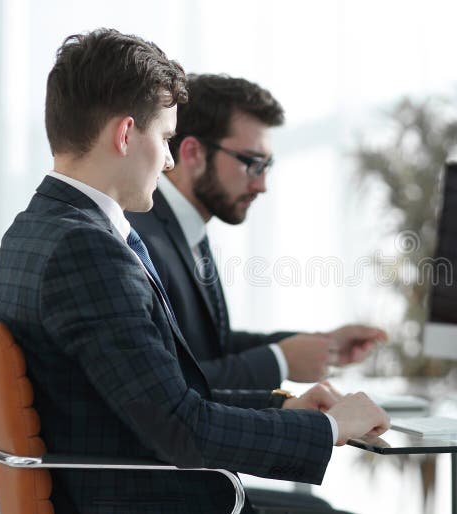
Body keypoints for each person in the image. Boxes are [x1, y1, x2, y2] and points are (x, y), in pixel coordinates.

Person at [0, 28, 389, 514]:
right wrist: (329, 428)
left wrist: (281, 404)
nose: (170, 159)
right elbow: (183, 427)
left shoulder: (33, 230)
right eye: (165, 138)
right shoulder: (87, 249)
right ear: (126, 134)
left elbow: (159, 392)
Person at [126, 73, 386, 513]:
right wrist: (280, 361)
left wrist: (317, 345)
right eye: (252, 163)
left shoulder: (184, 229)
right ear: (193, 153)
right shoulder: (144, 239)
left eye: (268, 166)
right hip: (172, 488)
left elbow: (206, 345)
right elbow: (181, 384)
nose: (262, 184)